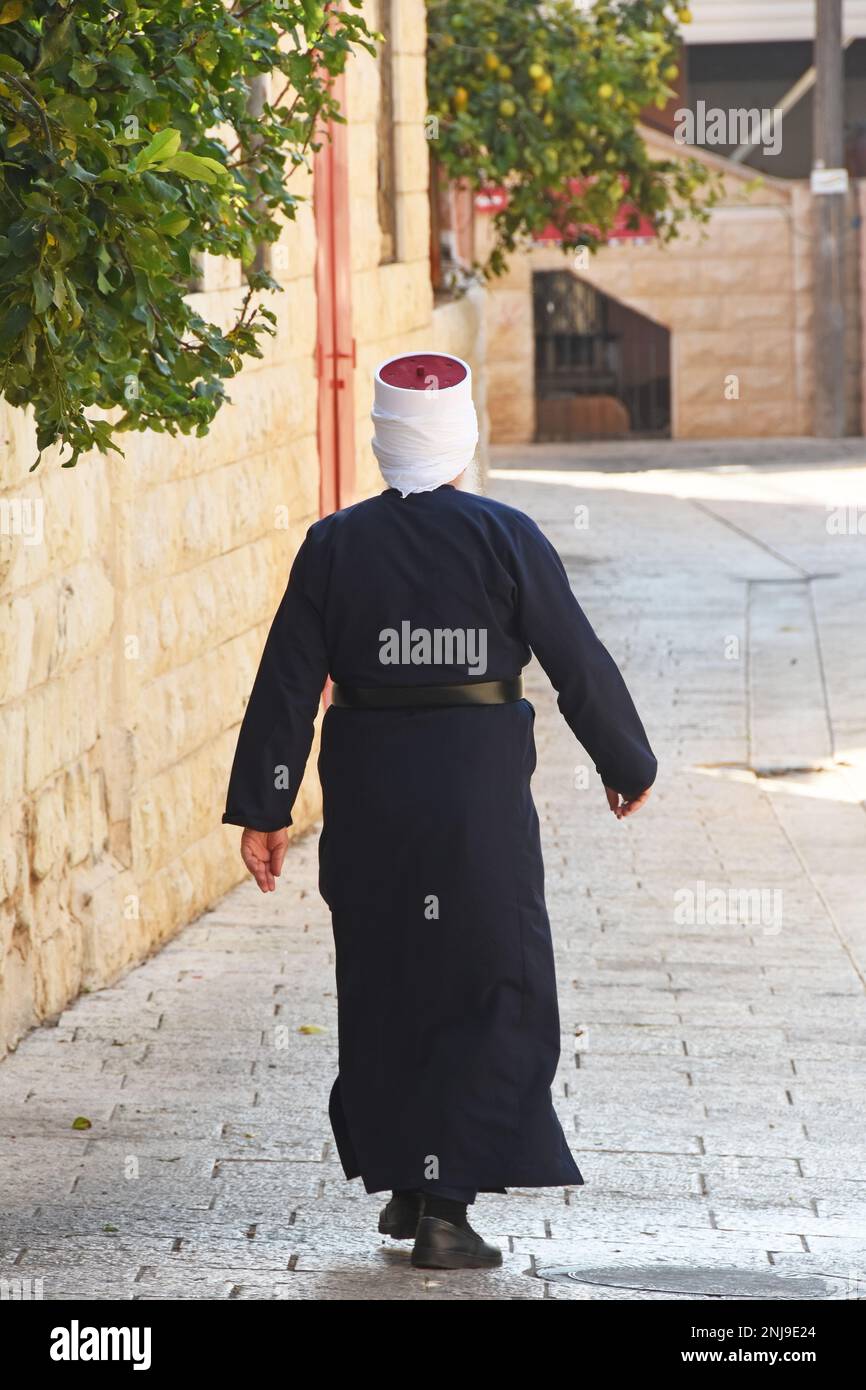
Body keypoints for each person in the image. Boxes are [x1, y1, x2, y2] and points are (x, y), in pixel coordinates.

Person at [222, 351, 656, 1271]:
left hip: (371, 797)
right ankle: (445, 1214)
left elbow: (288, 685)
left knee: (388, 982)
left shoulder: (333, 545)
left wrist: (266, 807)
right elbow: (575, 659)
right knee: (490, 981)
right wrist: (625, 759)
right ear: (459, 438)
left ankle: (410, 1182)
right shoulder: (506, 535)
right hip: (475, 805)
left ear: (383, 439)